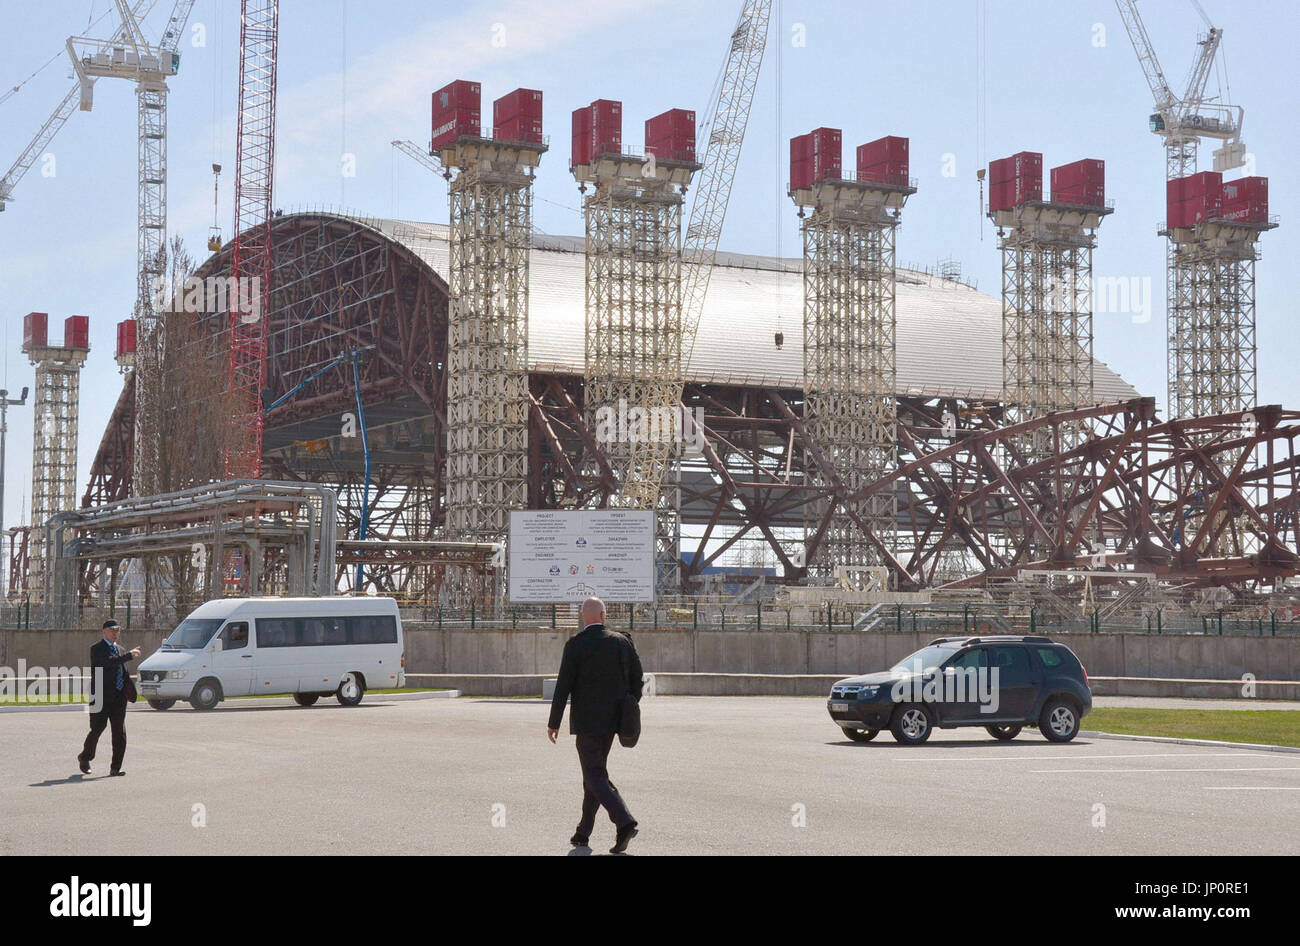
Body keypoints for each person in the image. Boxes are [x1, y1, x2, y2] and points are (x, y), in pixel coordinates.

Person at [547, 596, 643, 854]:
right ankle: (583, 832)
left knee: (594, 774)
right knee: (594, 774)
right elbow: (638, 679)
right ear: (603, 615)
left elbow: (563, 687)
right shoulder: (622, 642)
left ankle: (624, 822)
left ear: (582, 617)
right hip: (613, 723)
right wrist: (629, 706)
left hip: (587, 723)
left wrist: (553, 722)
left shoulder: (575, 645)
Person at [78, 620, 140, 777]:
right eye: (112, 630)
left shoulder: (121, 650)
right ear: (104, 631)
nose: (115, 633)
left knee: (119, 732)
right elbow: (107, 663)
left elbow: (123, 672)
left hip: (119, 697)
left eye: (118, 630)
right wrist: (128, 656)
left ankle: (115, 768)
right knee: (97, 728)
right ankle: (84, 757)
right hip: (100, 695)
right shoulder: (97, 649)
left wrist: (129, 689)